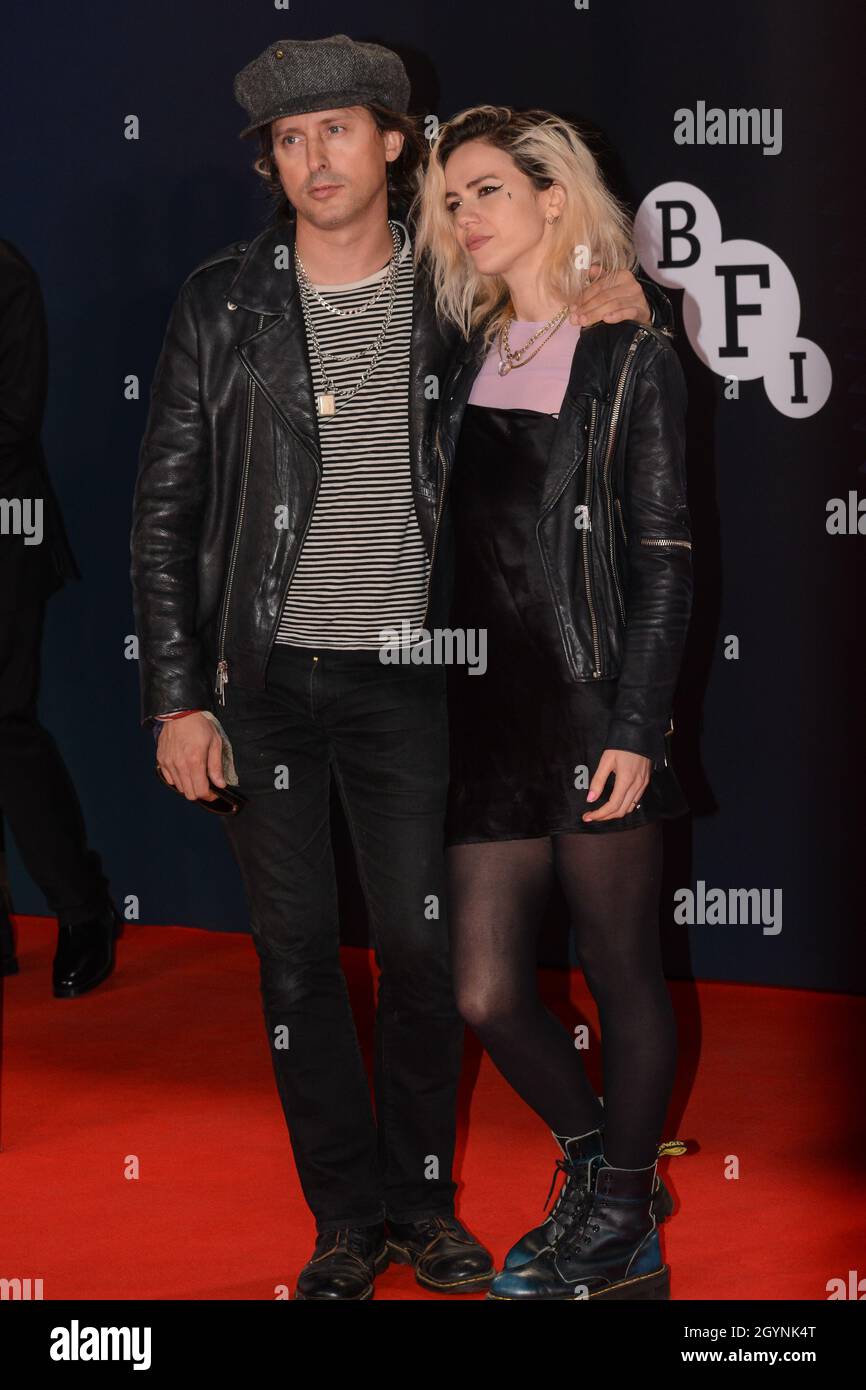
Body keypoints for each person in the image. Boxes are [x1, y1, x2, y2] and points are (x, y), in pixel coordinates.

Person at [130, 35, 670, 1300]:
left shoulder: (454, 293)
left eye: (336, 129)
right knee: (297, 955)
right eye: (286, 137)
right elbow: (163, 510)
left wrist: (608, 285)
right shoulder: (224, 299)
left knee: (429, 961)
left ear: (391, 144)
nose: (311, 157)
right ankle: (342, 1217)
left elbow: (563, 309)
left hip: (420, 680)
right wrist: (176, 692)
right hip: (260, 680)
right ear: (269, 160)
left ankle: (425, 1204)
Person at [414, 104, 693, 1300]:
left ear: (549, 196)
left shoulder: (629, 350)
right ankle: (601, 1160)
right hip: (481, 715)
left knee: (622, 970)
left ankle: (624, 1211)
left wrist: (637, 723)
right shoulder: (458, 355)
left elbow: (666, 555)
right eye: (449, 200)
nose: (463, 217)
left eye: (483, 190)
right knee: (482, 987)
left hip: (587, 705)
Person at [0, 239, 119, 995]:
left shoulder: (4, 274)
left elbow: (12, 416)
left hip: (5, 526)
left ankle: (83, 909)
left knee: (3, 724)